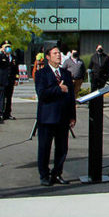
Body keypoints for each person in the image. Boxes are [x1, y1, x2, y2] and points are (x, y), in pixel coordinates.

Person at [34, 46, 75, 186]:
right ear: (48, 57)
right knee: (45, 148)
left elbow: (71, 96)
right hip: (47, 117)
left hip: (63, 117)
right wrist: (59, 89)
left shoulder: (66, 74)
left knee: (62, 148)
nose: (58, 55)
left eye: (59, 53)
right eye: (55, 53)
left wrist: (72, 116)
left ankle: (57, 173)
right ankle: (44, 175)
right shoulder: (41, 74)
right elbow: (42, 94)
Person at [0, 42, 17, 120]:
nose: (8, 48)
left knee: (9, 97)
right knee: (2, 96)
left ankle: (8, 113)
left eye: (9, 47)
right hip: (2, 79)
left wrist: (16, 78)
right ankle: (1, 113)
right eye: (6, 47)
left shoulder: (13, 57)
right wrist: (0, 51)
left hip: (10, 80)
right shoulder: (1, 56)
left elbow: (15, 69)